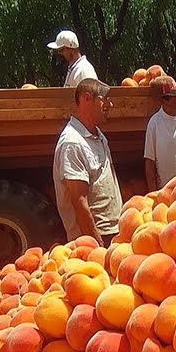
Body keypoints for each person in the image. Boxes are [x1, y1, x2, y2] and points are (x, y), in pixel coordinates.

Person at [53, 78, 122, 245]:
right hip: (94, 238)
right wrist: (97, 244)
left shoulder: (98, 135)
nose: (110, 104)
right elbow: (79, 201)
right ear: (86, 98)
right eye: (104, 99)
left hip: (111, 231)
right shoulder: (72, 142)